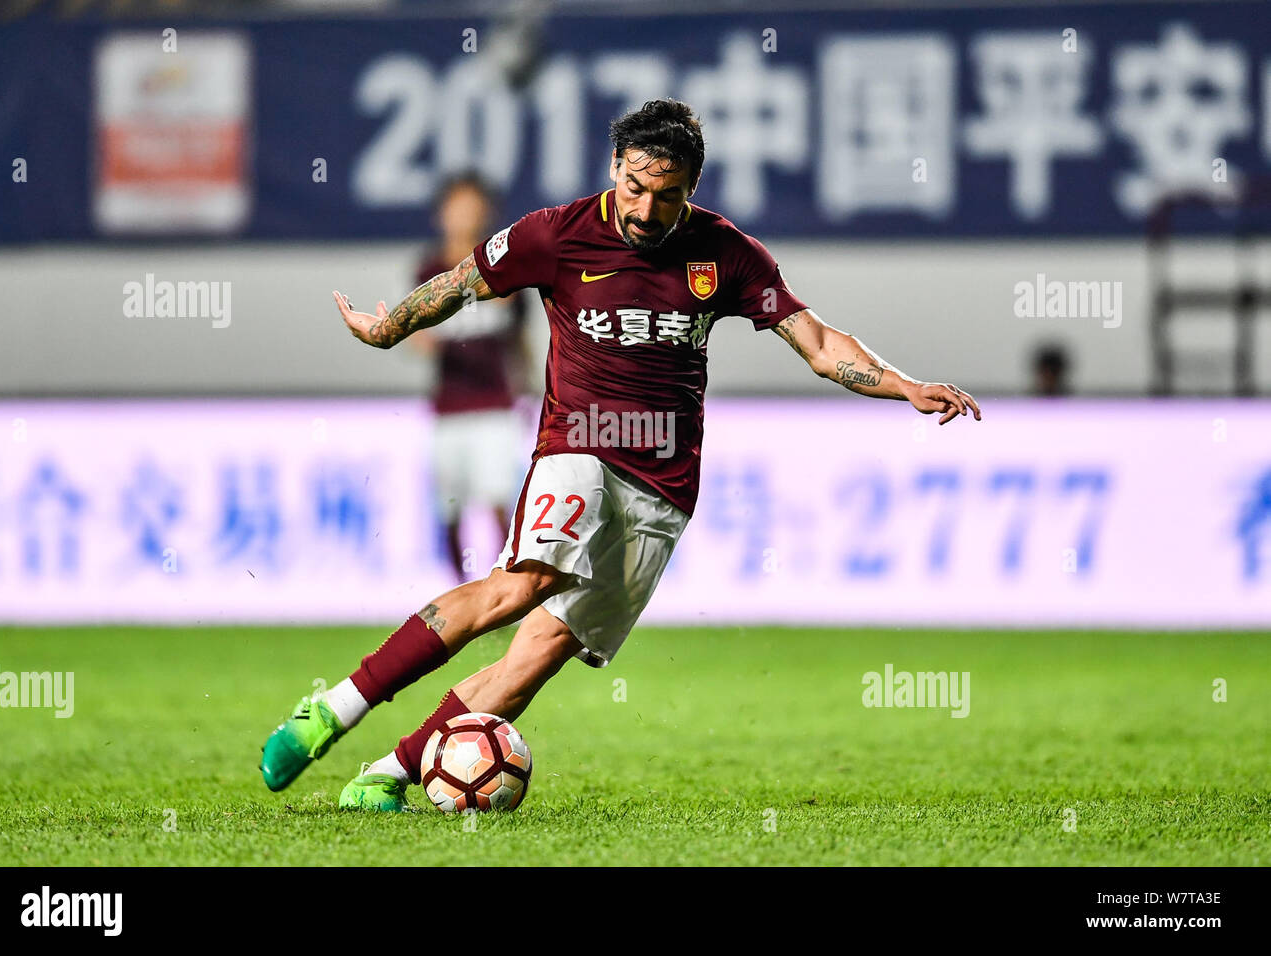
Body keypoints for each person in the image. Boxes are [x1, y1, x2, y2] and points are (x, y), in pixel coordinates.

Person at [261, 99, 982, 811]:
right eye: (633, 188)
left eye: (664, 198)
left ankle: (385, 774)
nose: (643, 209)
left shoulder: (724, 252)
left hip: (663, 489)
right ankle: (333, 709)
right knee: (522, 585)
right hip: (580, 445)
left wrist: (904, 385)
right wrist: (388, 328)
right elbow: (460, 284)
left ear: (690, 191)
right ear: (615, 168)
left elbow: (819, 344)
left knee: (533, 662)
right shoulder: (557, 234)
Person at [407, 173, 531, 579]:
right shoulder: (430, 269)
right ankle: (458, 589)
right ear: (441, 215)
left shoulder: (505, 267)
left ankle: (502, 592)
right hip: (449, 406)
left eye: (471, 206)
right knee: (449, 506)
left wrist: (531, 392)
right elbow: (417, 335)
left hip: (496, 405)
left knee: (498, 500)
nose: (463, 216)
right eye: (456, 207)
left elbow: (520, 337)